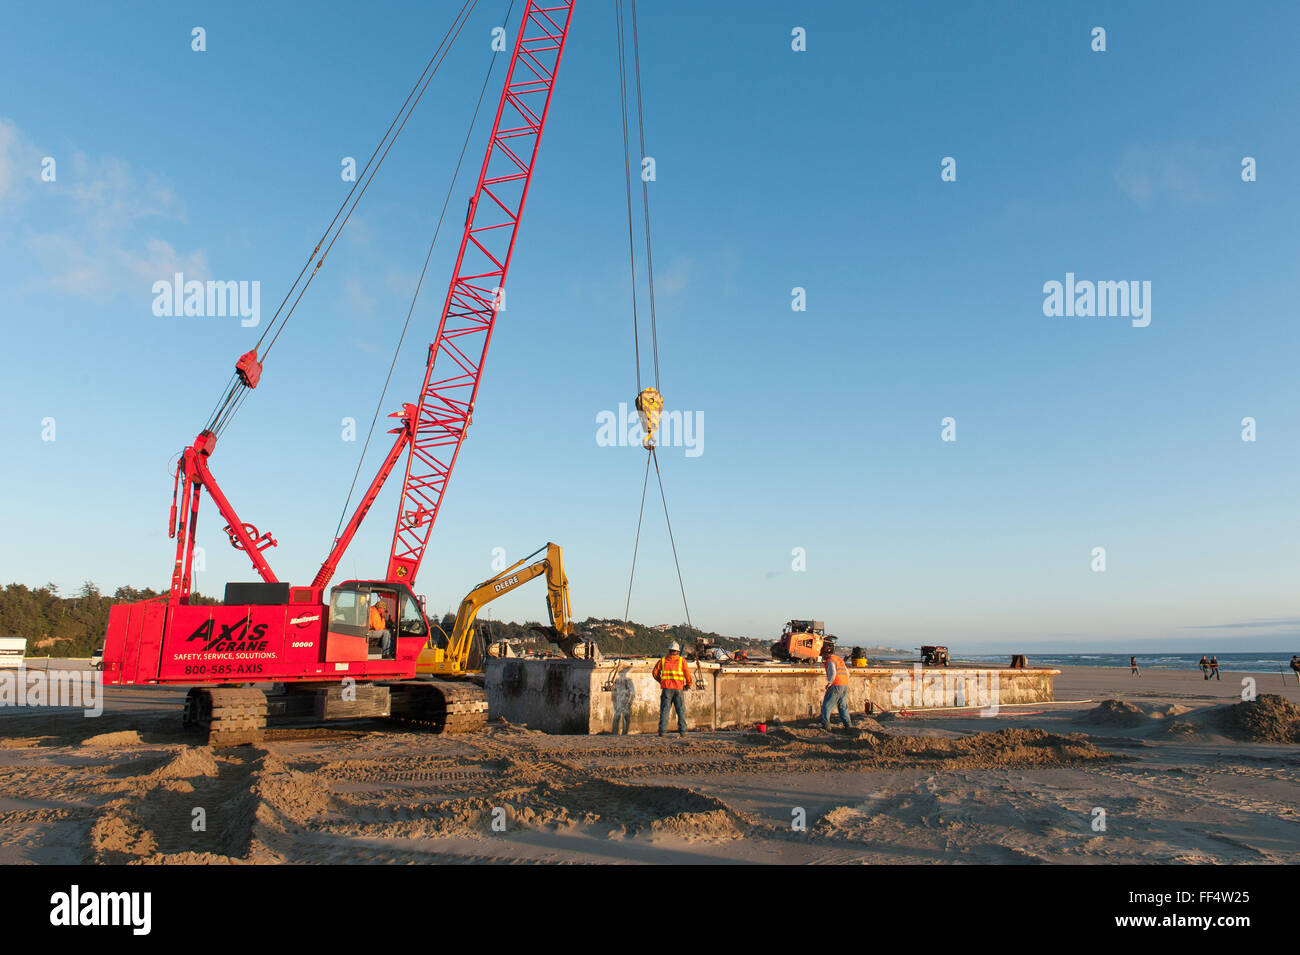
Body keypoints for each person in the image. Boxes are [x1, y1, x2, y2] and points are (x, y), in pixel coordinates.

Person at [652, 642, 692, 737]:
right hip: (678, 689)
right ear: (677, 651)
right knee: (680, 710)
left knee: (665, 711)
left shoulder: (662, 661)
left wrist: (661, 681)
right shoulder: (682, 661)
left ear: (669, 651)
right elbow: (687, 674)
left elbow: (654, 672)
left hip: (667, 689)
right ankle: (683, 731)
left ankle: (662, 731)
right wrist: (688, 684)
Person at [820, 643, 853, 732]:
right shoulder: (838, 659)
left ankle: (826, 724)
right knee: (843, 706)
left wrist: (829, 683)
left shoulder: (830, 661)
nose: (822, 656)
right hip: (845, 684)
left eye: (823, 654)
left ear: (826, 653)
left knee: (826, 705)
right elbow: (847, 673)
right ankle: (848, 724)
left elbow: (833, 673)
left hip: (836, 685)